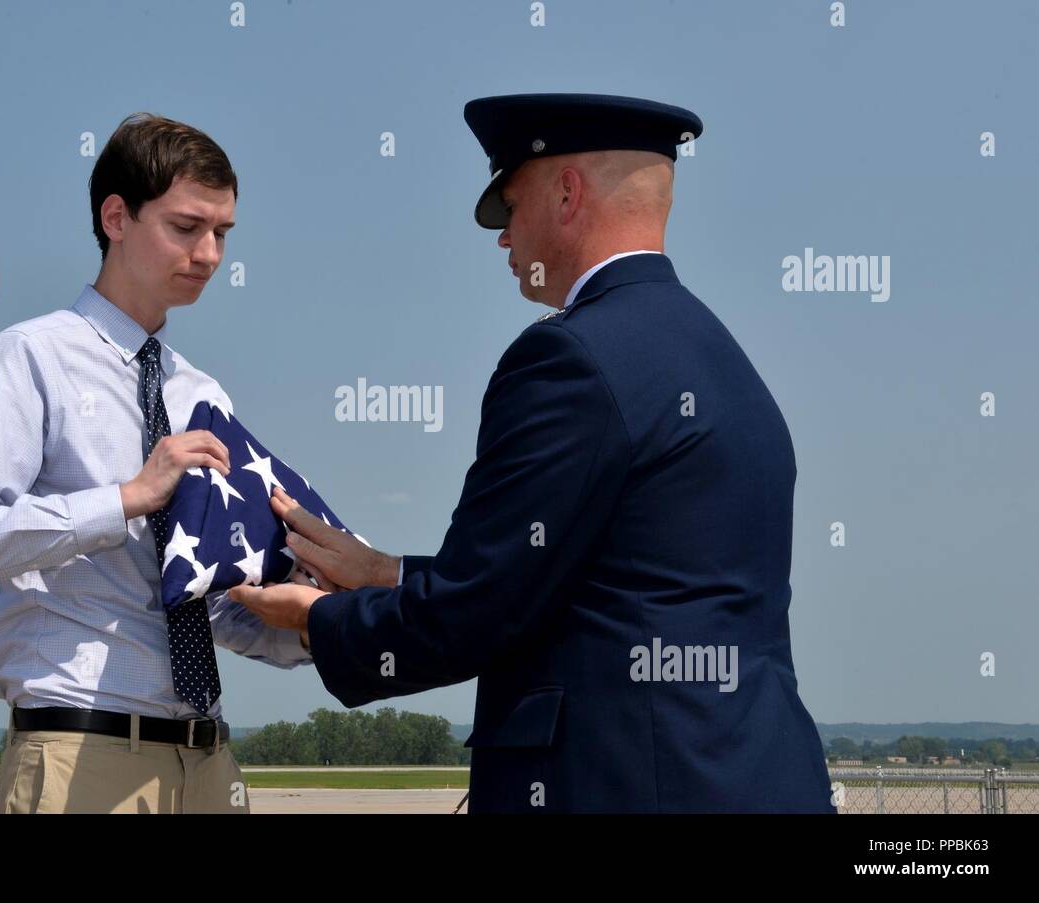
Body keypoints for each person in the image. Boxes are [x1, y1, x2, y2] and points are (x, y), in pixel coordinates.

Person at [232, 93, 835, 813]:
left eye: (507, 207)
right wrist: (387, 572)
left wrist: (312, 618)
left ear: (567, 192)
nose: (500, 237)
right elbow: (602, 579)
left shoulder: (570, 357)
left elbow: (476, 614)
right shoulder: (729, 366)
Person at [0, 113, 312, 814]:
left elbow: (209, 601)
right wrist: (124, 497)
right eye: (187, 227)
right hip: (80, 757)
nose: (210, 253)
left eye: (222, 233)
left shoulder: (201, 393)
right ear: (117, 216)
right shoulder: (30, 356)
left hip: (210, 761)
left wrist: (314, 619)